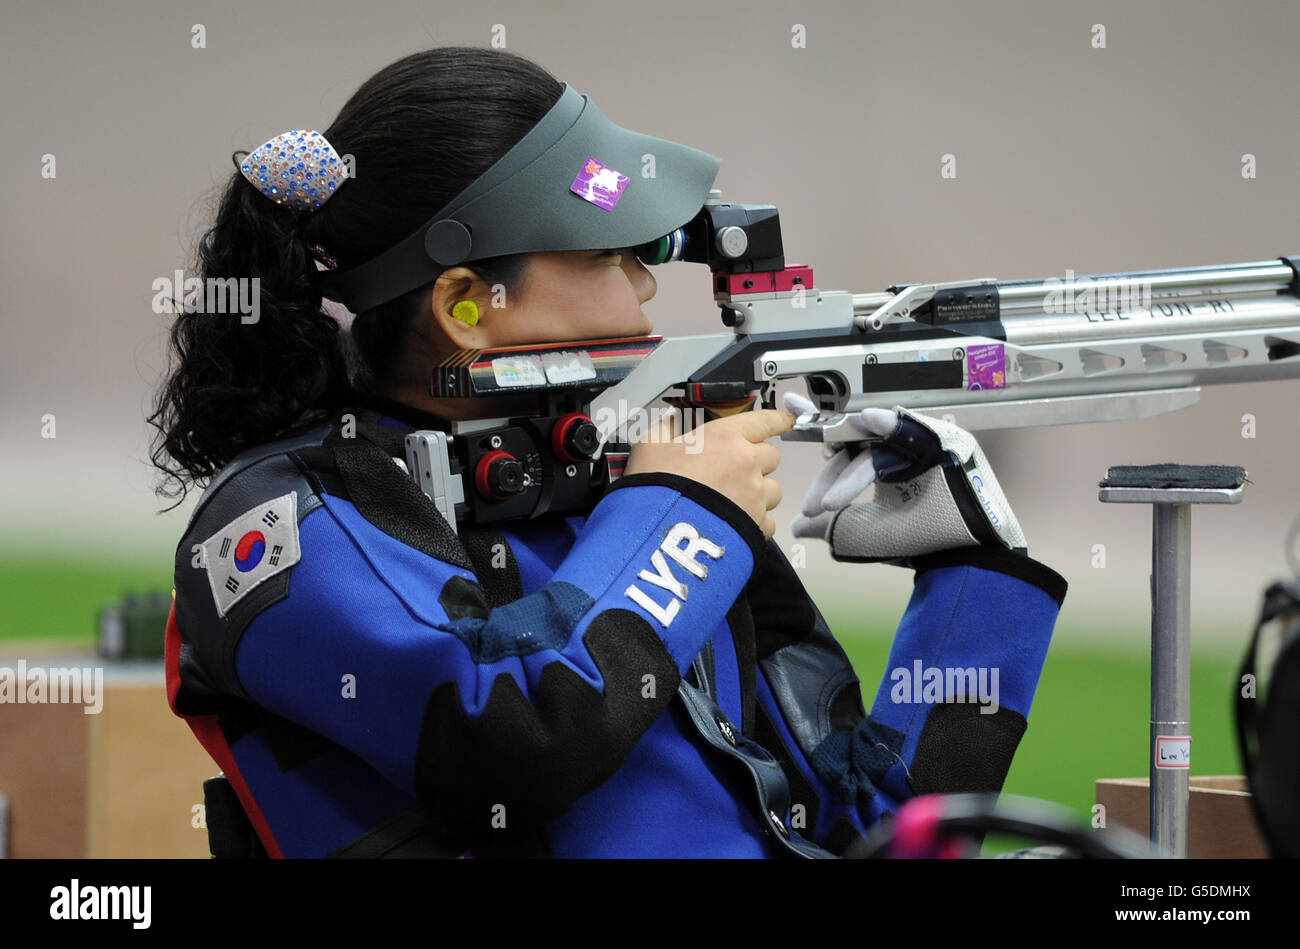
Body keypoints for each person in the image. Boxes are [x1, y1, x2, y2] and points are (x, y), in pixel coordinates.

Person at [149, 46, 1068, 858]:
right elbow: (514, 739)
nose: (644, 290)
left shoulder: (604, 494)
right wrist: (684, 514)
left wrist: (969, 573)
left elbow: (876, 830)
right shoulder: (288, 525)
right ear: (468, 305)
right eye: (612, 253)